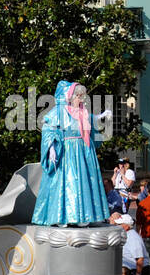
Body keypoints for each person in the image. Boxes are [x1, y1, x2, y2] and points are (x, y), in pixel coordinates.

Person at [31, 80, 108, 227]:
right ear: (70, 96)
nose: (81, 99)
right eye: (78, 96)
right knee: (66, 182)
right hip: (67, 151)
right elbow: (48, 129)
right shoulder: (59, 111)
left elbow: (90, 122)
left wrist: (100, 117)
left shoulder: (83, 111)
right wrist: (52, 148)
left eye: (82, 96)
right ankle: (61, 216)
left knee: (84, 182)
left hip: (84, 151)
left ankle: (83, 216)